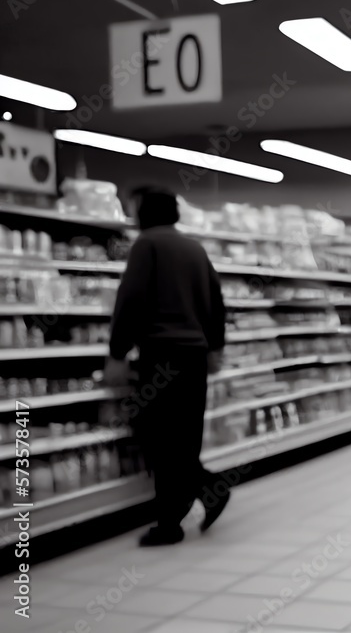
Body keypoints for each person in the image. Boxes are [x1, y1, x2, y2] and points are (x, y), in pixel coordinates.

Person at [104, 186, 230, 547]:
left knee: (158, 438)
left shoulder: (148, 244)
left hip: (161, 353)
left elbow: (131, 299)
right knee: (185, 437)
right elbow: (216, 302)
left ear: (144, 210)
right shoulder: (194, 247)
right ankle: (191, 504)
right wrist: (215, 347)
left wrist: (117, 350)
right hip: (194, 356)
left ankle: (185, 510)